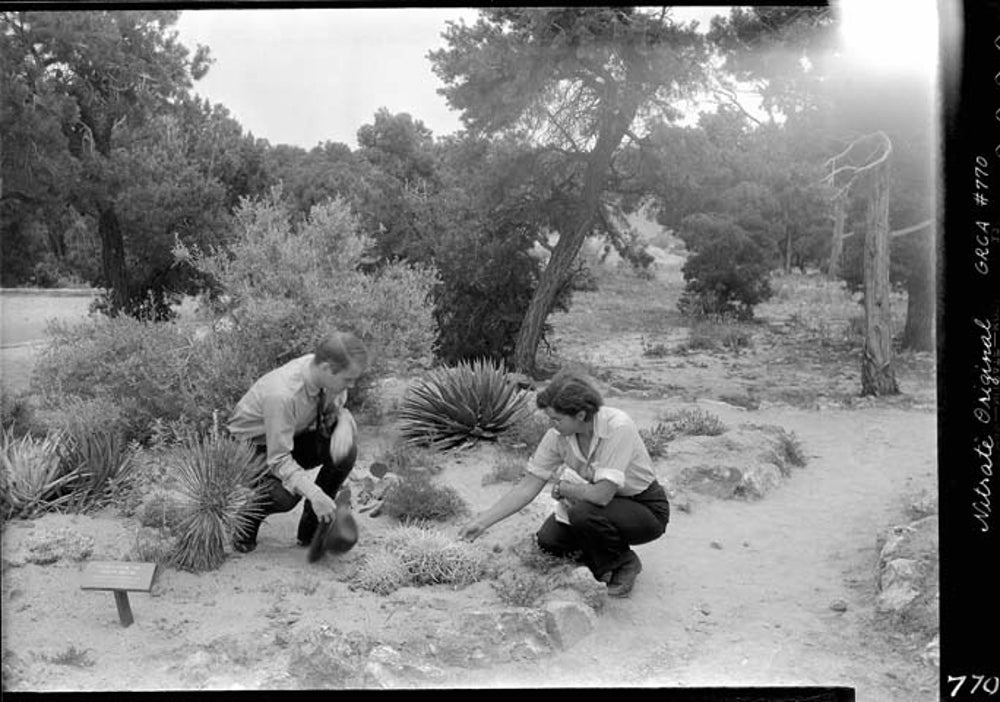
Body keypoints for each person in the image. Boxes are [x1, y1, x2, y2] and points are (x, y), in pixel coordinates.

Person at [459, 371, 670, 597]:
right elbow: (527, 487)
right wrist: (481, 523)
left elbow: (602, 495)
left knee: (583, 513)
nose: (552, 424)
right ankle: (600, 558)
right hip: (598, 505)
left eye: (557, 419)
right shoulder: (557, 437)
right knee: (549, 541)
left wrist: (566, 489)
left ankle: (624, 563)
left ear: (580, 415)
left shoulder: (618, 427)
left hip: (644, 508)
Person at [226, 331, 367, 555]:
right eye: (347, 379)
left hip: (287, 437)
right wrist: (314, 493)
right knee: (284, 495)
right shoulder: (283, 395)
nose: (351, 385)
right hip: (247, 450)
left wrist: (344, 421)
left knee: (345, 450)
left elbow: (336, 411)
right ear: (327, 368)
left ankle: (313, 529)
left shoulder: (325, 377)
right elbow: (278, 459)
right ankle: (247, 520)